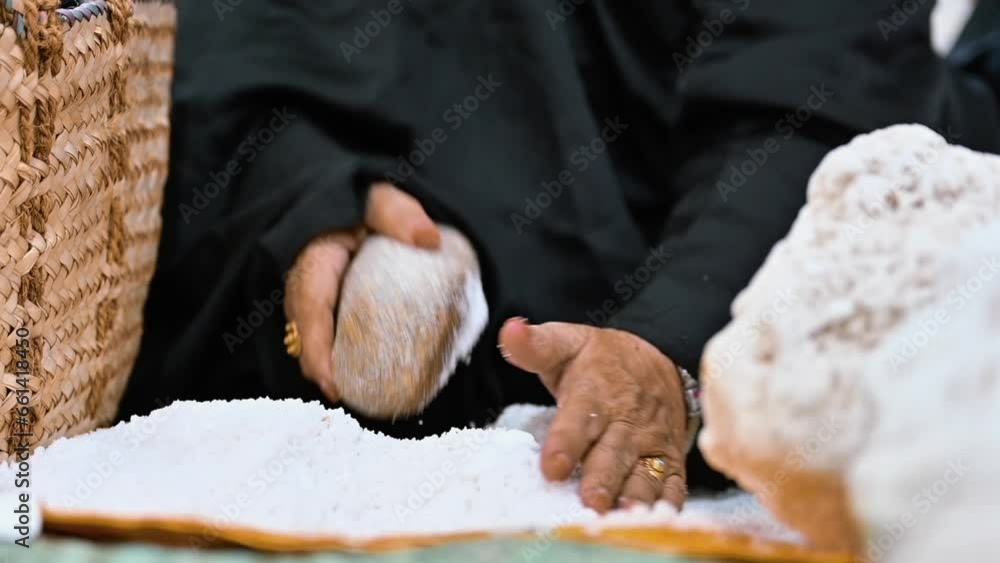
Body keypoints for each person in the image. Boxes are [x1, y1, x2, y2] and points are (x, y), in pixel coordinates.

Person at [118, 0, 1000, 513]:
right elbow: (226, 48)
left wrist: (671, 346)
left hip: (672, 263)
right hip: (340, 268)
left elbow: (809, 105)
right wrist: (301, 203)